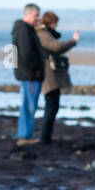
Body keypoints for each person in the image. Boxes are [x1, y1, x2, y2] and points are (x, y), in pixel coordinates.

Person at [35, 11, 80, 145]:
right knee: (52, 106)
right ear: (52, 23)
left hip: (50, 76)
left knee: (52, 106)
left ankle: (46, 138)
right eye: (55, 24)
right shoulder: (43, 34)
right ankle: (45, 139)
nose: (56, 26)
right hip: (49, 76)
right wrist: (73, 41)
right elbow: (57, 47)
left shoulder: (43, 33)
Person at [11, 3, 45, 144]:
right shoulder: (24, 31)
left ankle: (25, 135)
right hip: (30, 75)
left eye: (38, 15)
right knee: (29, 106)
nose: (38, 18)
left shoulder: (27, 29)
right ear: (27, 14)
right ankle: (25, 136)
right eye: (35, 15)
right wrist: (36, 69)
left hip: (28, 74)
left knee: (28, 104)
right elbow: (27, 53)